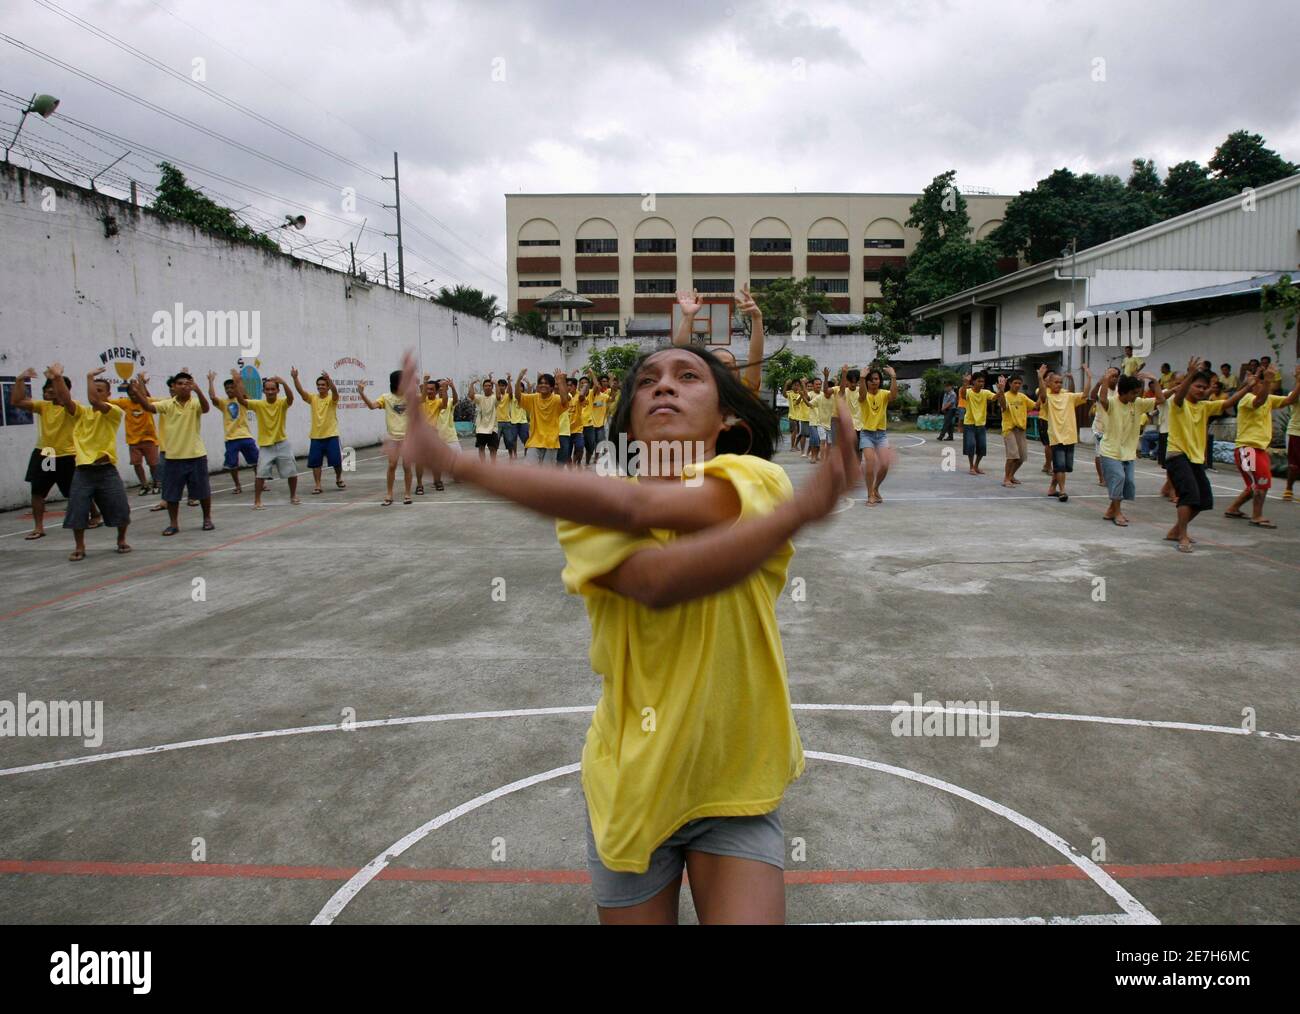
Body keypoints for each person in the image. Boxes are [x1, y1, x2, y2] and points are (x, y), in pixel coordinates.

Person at [390, 344, 862, 924]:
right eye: (646, 381)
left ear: (727, 421)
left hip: (733, 775)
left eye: (688, 377)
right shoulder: (590, 508)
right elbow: (656, 578)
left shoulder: (755, 478)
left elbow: (647, 508)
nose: (664, 386)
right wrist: (803, 513)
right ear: (627, 422)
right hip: (632, 782)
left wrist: (459, 463)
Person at [1163, 357, 1251, 552]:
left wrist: (1247, 387)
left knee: (1204, 499)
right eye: (1198, 386)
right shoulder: (1178, 404)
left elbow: (1229, 401)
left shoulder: (1204, 406)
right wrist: (1191, 374)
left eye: (1204, 387)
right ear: (1189, 386)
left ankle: (1175, 530)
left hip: (1195, 457)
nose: (1202, 390)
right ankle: (1182, 536)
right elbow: (1179, 396)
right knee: (1189, 495)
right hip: (1177, 454)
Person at [56, 368, 132, 560]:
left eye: (101, 390)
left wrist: (89, 377)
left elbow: (95, 401)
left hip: (106, 470)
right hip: (83, 471)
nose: (97, 393)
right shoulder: (82, 413)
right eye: (94, 388)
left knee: (120, 508)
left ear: (108, 394)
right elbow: (65, 400)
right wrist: (57, 378)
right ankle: (79, 546)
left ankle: (121, 539)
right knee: (77, 510)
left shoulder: (113, 411)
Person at [128, 370, 214, 534]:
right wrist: (138, 390)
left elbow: (206, 408)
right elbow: (148, 407)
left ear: (191, 386)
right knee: (172, 494)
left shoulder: (195, 403)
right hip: (174, 457)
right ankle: (173, 524)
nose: (183, 386)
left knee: (203, 491)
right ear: (174, 387)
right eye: (180, 384)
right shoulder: (167, 404)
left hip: (196, 455)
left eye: (187, 384)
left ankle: (207, 519)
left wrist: (198, 390)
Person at [11, 365, 85, 540]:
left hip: (67, 455)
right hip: (47, 454)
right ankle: (38, 527)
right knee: (38, 491)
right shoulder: (43, 406)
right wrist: (20, 379)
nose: (48, 392)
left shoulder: (73, 407)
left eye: (53, 389)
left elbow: (66, 400)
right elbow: (16, 401)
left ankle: (94, 514)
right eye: (46, 389)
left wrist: (57, 378)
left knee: (74, 492)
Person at [1223, 365, 1299, 528]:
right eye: (1258, 382)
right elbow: (1259, 401)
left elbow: (1289, 400)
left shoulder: (1268, 399)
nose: (1262, 385)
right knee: (1260, 483)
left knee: (1258, 483)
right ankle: (1256, 516)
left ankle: (1233, 508)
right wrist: (1268, 381)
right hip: (1247, 448)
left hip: (1258, 449)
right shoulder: (1246, 399)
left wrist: (1298, 381)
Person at [1096, 371, 1162, 526]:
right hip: (1110, 451)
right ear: (1123, 392)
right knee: (1119, 478)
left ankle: (1112, 509)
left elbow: (1160, 399)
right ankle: (1117, 513)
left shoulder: (1137, 403)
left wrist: (1154, 380)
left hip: (1128, 452)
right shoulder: (1112, 403)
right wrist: (1105, 379)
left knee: (1129, 482)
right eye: (1133, 393)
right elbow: (1102, 398)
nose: (1136, 396)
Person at [673, 286, 765, 392]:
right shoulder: (698, 393)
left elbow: (756, 356)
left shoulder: (745, 390)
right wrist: (688, 316)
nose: (724, 370)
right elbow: (680, 355)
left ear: (737, 370)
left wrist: (757, 318)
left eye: (728, 365)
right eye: (718, 365)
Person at [232, 371, 299, 510]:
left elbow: (291, 398)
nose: (270, 391)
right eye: (267, 389)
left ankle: (293, 496)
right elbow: (241, 401)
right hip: (266, 445)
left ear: (277, 390)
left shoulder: (282, 403)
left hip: (282, 443)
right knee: (260, 474)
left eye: (273, 389)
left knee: (292, 471)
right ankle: (257, 501)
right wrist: (236, 384)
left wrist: (285, 382)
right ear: (263, 391)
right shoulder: (258, 404)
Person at [1037, 364, 1089, 502]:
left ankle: (1052, 488)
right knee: (1059, 467)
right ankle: (1062, 491)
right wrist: (1040, 377)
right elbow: (1042, 394)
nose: (1059, 384)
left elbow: (1085, 395)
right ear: (1049, 383)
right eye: (1056, 382)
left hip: (1070, 436)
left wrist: (1089, 377)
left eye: (1060, 382)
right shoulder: (1048, 397)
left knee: (1065, 467)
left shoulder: (1068, 396)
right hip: (1056, 437)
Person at [358, 370, 412, 505]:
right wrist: (361, 393)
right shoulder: (386, 397)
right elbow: (372, 406)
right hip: (393, 438)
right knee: (392, 465)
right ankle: (389, 494)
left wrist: (422, 384)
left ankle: (407, 494)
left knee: (407, 466)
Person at [292, 368, 346, 494]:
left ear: (327, 387)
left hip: (331, 435)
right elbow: (301, 392)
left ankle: (338, 478)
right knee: (316, 463)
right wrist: (295, 378)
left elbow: (335, 392)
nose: (320, 387)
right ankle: (318, 485)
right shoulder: (313, 398)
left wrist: (330, 380)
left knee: (336, 462)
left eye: (323, 385)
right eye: (319, 385)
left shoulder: (332, 399)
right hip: (316, 436)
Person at [208, 373, 259, 494]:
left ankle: (260, 483)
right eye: (227, 388)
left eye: (232, 387)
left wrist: (239, 381)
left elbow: (245, 394)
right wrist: (210, 381)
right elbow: (212, 397)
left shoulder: (242, 400)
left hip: (246, 436)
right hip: (231, 439)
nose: (230, 390)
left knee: (256, 462)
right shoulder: (223, 403)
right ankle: (237, 485)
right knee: (232, 465)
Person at [109, 381, 161, 496]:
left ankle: (157, 483)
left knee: (153, 464)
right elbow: (107, 401)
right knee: (137, 464)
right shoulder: (125, 403)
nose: (134, 396)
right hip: (133, 440)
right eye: (131, 394)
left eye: (136, 393)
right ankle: (144, 485)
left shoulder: (148, 402)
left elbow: (166, 401)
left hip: (149, 439)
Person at [855, 366, 897, 505]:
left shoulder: (884, 394)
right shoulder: (863, 395)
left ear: (880, 381)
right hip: (866, 434)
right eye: (871, 379)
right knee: (870, 464)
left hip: (881, 434)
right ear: (866, 382)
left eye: (876, 379)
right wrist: (861, 377)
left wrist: (893, 376)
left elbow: (894, 396)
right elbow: (861, 395)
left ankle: (875, 488)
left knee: (884, 464)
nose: (874, 381)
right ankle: (869, 495)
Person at [516, 368, 568, 464]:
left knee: (547, 474)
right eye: (541, 383)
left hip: (551, 442)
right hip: (534, 441)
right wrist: (519, 379)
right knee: (530, 469)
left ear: (552, 387)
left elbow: (565, 400)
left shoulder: (556, 399)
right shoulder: (533, 398)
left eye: (546, 383)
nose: (543, 385)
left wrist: (560, 381)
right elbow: (518, 397)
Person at [995, 374, 1035, 487]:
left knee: (1021, 457)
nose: (1017, 385)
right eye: (1015, 383)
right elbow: (1003, 405)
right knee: (1012, 456)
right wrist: (1001, 391)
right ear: (1010, 384)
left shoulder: (1022, 397)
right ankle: (1006, 479)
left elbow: (1035, 405)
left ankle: (1011, 475)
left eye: (1019, 383)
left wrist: (1043, 387)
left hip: (1021, 429)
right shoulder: (1006, 395)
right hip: (1009, 429)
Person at [958, 371, 995, 475]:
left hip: (981, 424)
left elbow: (995, 397)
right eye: (979, 381)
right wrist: (965, 382)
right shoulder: (969, 391)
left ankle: (976, 466)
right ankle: (971, 467)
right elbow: (963, 395)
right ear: (973, 381)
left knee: (982, 447)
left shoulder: (985, 392)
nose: (981, 383)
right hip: (969, 423)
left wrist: (1001, 389)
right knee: (971, 445)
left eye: (982, 381)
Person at [472, 375, 500, 463]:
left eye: (489, 386)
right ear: (483, 387)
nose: (487, 387)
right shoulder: (480, 398)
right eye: (486, 386)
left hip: (492, 428)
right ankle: (483, 466)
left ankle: (493, 466)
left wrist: (496, 384)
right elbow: (471, 396)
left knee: (493, 448)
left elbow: (499, 397)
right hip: (481, 428)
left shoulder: (494, 397)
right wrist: (472, 384)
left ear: (492, 387)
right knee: (481, 447)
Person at [495, 377, 519, 461]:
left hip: (507, 421)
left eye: (503, 386)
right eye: (499, 385)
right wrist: (494, 383)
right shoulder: (494, 397)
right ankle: (493, 458)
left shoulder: (508, 396)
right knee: (495, 442)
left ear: (505, 387)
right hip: (497, 422)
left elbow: (511, 392)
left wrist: (509, 381)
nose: (501, 387)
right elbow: (497, 396)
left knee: (509, 441)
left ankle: (511, 456)